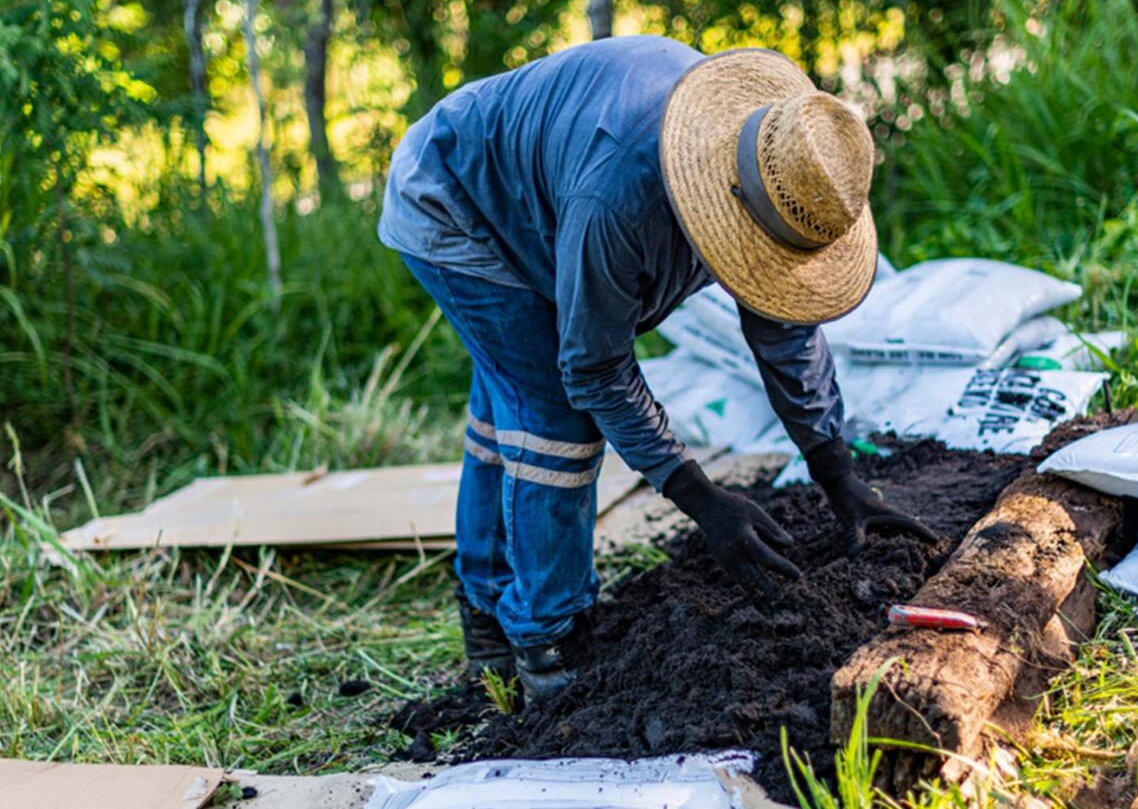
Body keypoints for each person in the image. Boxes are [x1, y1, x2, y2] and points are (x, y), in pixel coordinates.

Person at [378, 35, 936, 703]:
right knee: (552, 415)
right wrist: (699, 497)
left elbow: (783, 330)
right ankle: (547, 636)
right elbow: (595, 369)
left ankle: (490, 608)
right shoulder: (623, 199)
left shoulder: (780, 167)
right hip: (455, 198)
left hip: (547, 202)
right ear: (726, 202)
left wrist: (836, 471)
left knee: (512, 397)